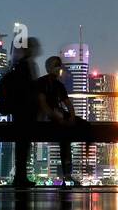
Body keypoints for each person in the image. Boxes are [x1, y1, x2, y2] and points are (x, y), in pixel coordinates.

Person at [35, 54, 89, 186]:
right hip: (46, 119)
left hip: (57, 116)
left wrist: (71, 117)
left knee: (82, 127)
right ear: (49, 68)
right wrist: (63, 119)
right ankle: (67, 175)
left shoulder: (58, 85)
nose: (58, 68)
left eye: (59, 66)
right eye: (56, 66)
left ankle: (68, 174)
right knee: (65, 139)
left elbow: (68, 103)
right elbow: (44, 106)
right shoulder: (42, 83)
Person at [9, 37, 42, 187]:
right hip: (26, 113)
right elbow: (32, 89)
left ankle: (20, 176)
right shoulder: (28, 65)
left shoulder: (19, 65)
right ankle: (20, 177)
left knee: (21, 146)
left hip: (19, 112)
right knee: (23, 146)